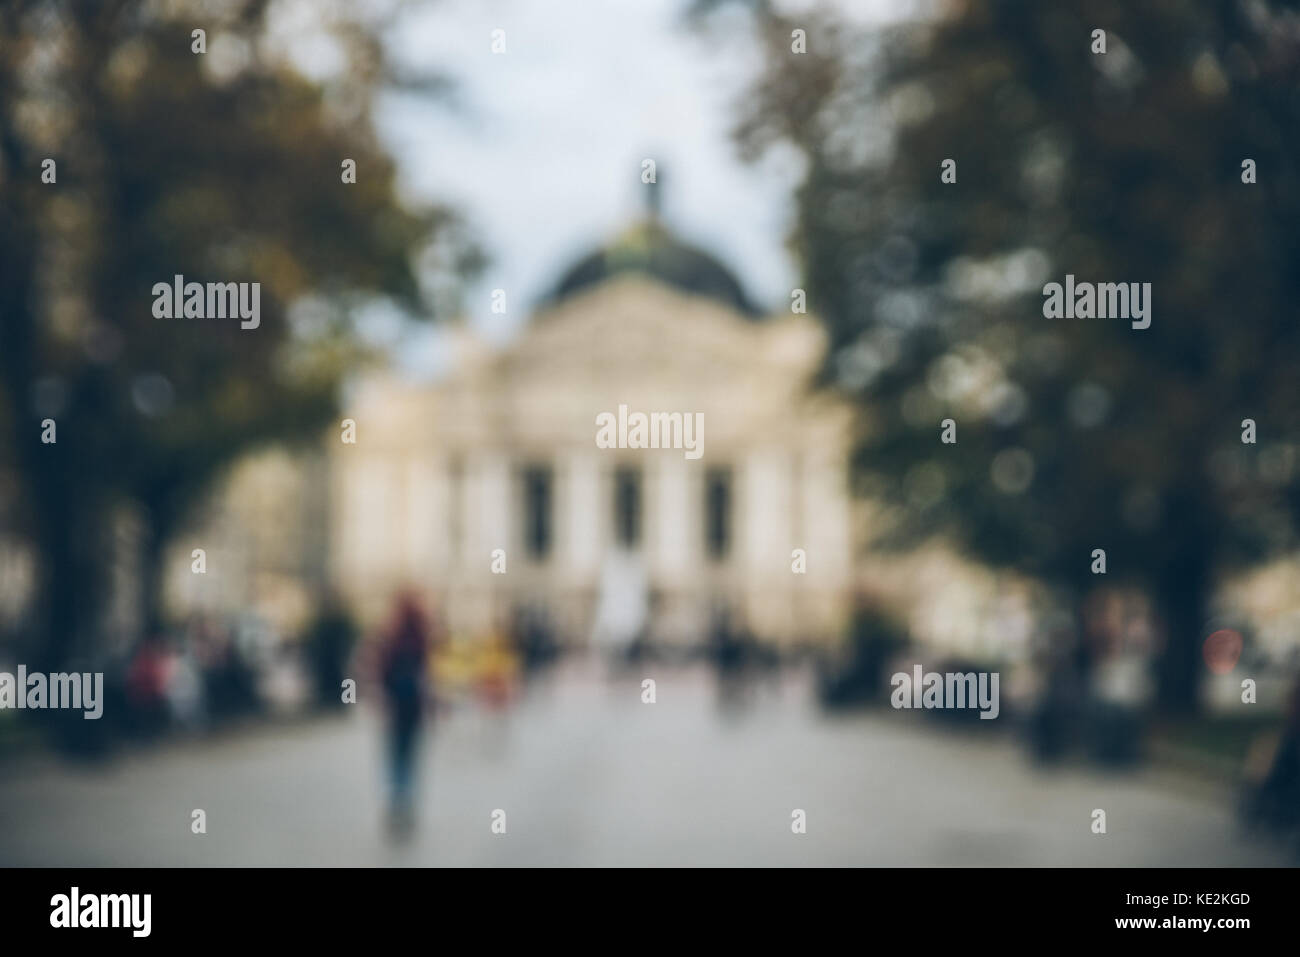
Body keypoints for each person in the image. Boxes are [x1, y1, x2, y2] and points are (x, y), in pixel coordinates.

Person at [377, 591, 433, 838]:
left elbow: (382, 671)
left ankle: (397, 802)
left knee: (396, 758)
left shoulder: (393, 636)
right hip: (414, 709)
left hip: (396, 709)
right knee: (410, 758)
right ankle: (406, 803)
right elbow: (428, 676)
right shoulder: (421, 637)